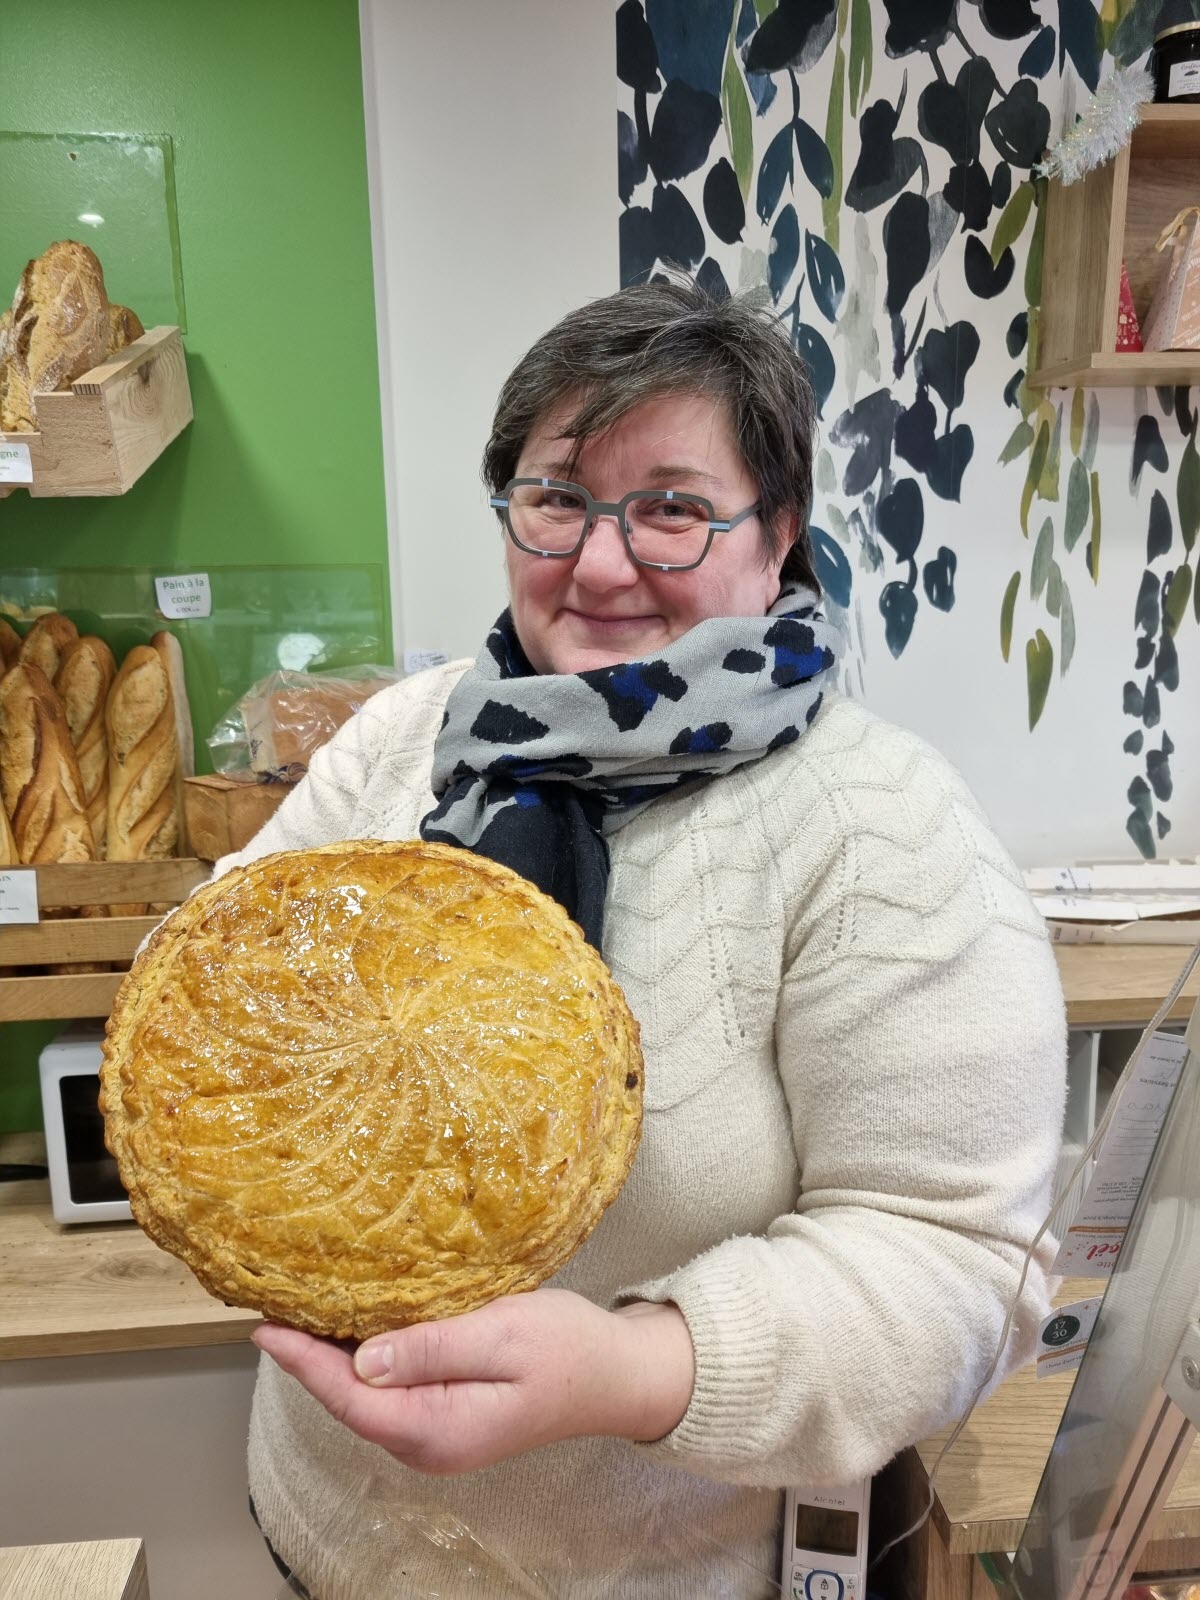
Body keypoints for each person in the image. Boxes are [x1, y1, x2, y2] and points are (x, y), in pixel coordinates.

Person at [216, 278, 1065, 1598]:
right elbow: (232, 989)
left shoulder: (880, 830)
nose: (602, 563)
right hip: (335, 1534)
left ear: (775, 533)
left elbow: (958, 1267)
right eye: (559, 497)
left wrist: (633, 1368)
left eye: (672, 506)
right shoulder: (411, 738)